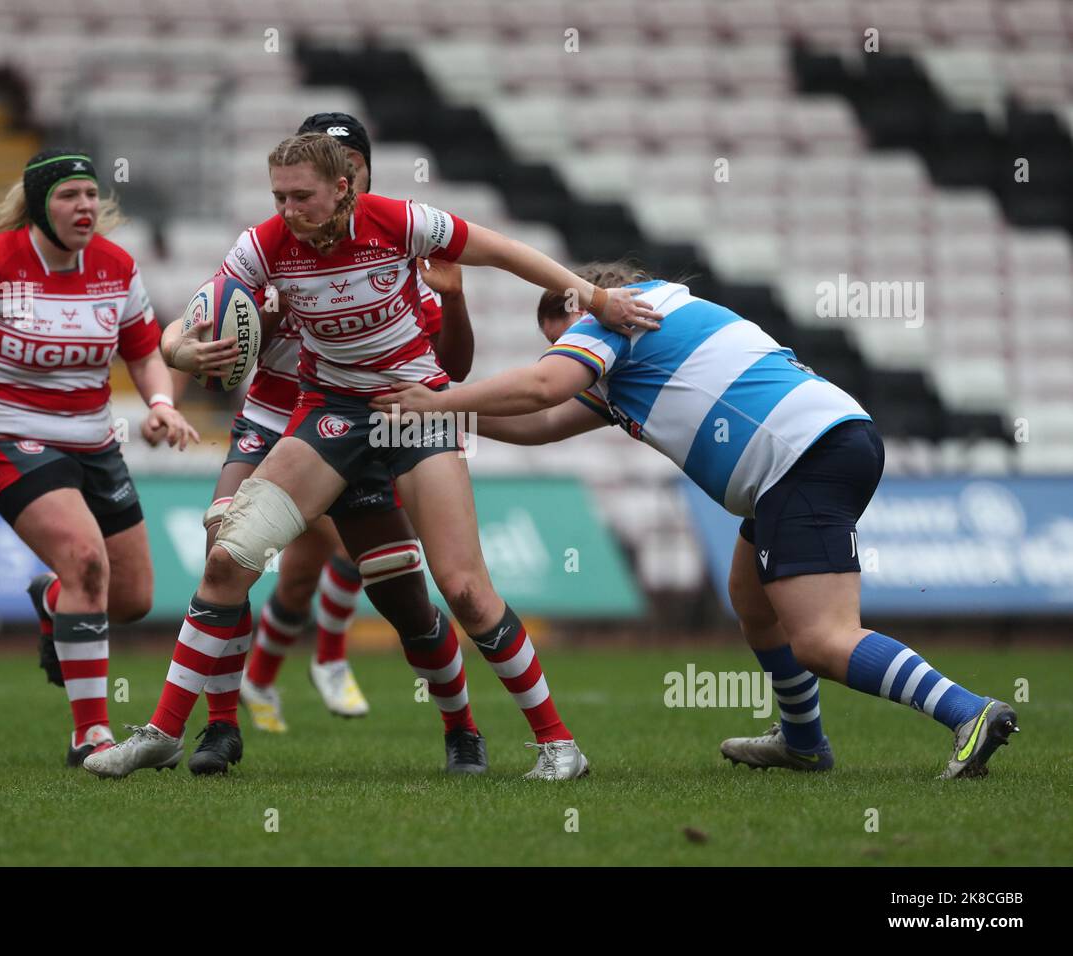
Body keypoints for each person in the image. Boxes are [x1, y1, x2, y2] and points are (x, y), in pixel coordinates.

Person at [84, 133, 660, 782]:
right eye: (280, 196)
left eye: (303, 196)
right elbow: (180, 331)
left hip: (415, 412)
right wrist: (185, 354)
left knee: (465, 592)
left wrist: (597, 297)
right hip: (329, 414)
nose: (290, 209)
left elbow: (505, 250)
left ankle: (559, 745)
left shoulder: (398, 221)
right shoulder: (265, 243)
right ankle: (165, 732)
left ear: (343, 189)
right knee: (227, 558)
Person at [375, 262, 1020, 780]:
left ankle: (968, 711)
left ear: (586, 304)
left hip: (798, 456)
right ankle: (802, 741)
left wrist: (438, 398)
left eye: (564, 343)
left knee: (822, 638)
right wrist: (441, 417)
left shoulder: (615, 317)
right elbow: (543, 423)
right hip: (814, 446)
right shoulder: (643, 339)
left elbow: (544, 390)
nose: (568, 360)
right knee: (751, 599)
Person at [147, 113, 480, 758]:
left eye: (354, 165)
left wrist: (458, 300)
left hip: (364, 429)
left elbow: (454, 370)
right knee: (227, 552)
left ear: (356, 180)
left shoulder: (396, 261)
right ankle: (221, 725)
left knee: (401, 599)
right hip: (276, 423)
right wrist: (180, 363)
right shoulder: (272, 254)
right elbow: (190, 322)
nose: (345, 175)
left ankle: (458, 725)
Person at [0, 149, 210, 767]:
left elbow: (145, 351)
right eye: (69, 196)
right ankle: (89, 735)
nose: (85, 206)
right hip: (7, 440)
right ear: (41, 204)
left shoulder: (117, 268)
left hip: (94, 443)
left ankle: (52, 601)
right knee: (86, 560)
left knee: (132, 599)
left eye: (91, 195)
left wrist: (160, 402)